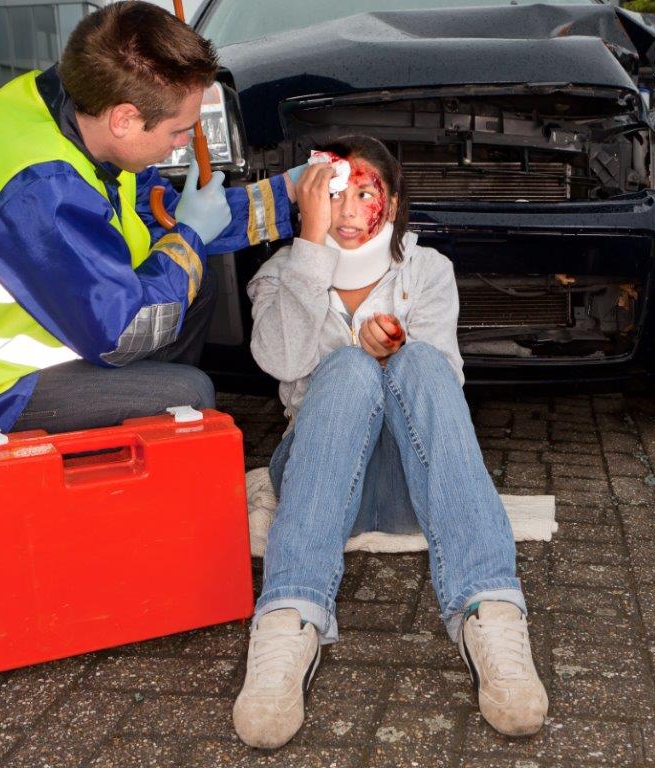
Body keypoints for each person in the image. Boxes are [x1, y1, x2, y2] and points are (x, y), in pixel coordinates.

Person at [0, 1, 302, 542]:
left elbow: (160, 219)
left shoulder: (65, 111)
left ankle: (116, 452)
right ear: (125, 119)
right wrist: (190, 237)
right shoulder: (41, 189)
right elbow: (126, 330)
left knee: (191, 284)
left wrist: (291, 196)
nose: (183, 143)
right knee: (187, 394)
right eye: (179, 131)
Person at [235, 135, 548, 748]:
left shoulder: (427, 271)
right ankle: (287, 616)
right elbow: (280, 359)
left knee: (424, 366)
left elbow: (443, 392)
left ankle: (491, 612)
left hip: (413, 482)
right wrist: (310, 251)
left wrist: (397, 353)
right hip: (321, 484)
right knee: (349, 370)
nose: (348, 211)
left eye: (362, 193)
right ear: (308, 199)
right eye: (331, 195)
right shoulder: (280, 274)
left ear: (393, 202)